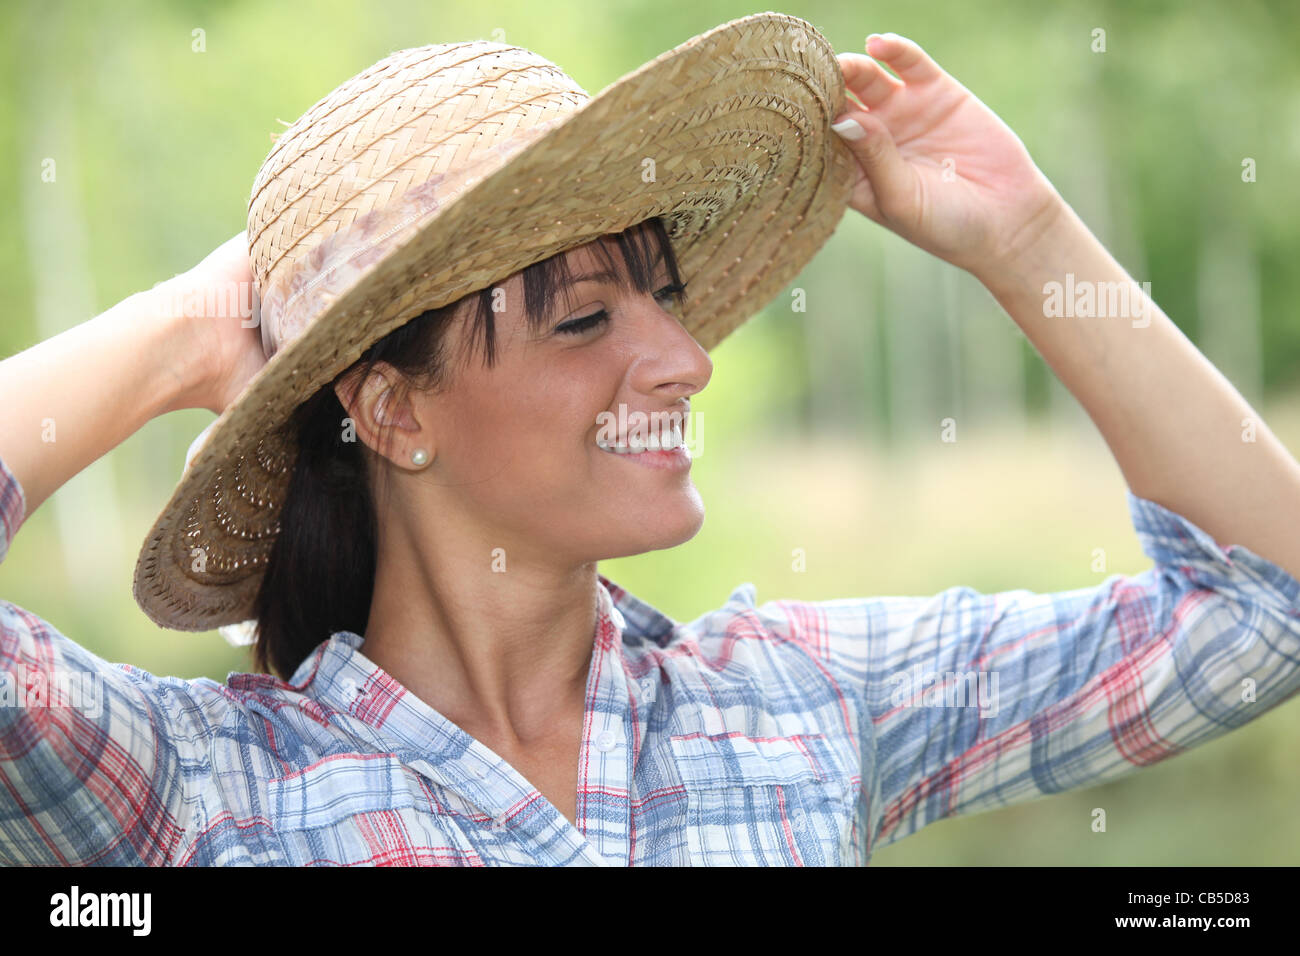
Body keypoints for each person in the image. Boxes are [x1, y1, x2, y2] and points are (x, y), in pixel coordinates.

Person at [1, 26, 1298, 867]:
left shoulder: (795, 704)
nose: (685, 361)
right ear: (393, 411)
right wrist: (174, 338)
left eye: (661, 298)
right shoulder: (206, 794)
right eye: (582, 318)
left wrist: (1028, 244)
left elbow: (1264, 613)